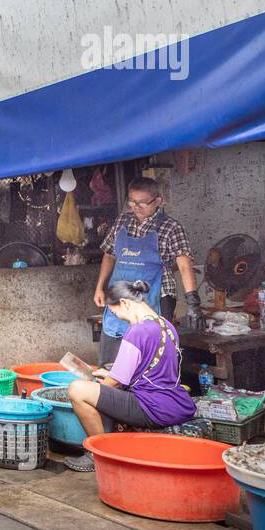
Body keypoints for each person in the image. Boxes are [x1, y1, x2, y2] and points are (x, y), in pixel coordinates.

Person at [64, 279, 196, 472]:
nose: (123, 321)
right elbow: (154, 369)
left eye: (119, 315)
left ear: (125, 303)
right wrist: (109, 375)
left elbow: (115, 384)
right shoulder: (167, 326)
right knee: (101, 386)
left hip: (152, 407)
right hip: (175, 403)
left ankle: (98, 454)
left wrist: (99, 381)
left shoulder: (137, 331)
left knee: (77, 390)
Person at [93, 176, 200, 367]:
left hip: (156, 296)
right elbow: (109, 254)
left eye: (142, 202)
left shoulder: (170, 227)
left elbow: (184, 265)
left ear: (158, 201)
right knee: (113, 352)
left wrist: (193, 302)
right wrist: (100, 287)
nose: (136, 207)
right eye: (132, 202)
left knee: (150, 347)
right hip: (120, 295)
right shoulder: (122, 222)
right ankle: (112, 389)